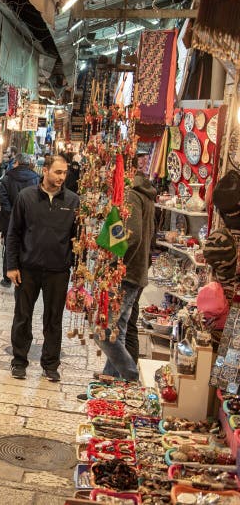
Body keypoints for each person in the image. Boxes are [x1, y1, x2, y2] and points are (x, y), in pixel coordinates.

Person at [6, 154, 79, 382]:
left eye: (64, 173)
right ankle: (19, 361)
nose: (61, 177)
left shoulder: (73, 201)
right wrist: (11, 266)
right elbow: (13, 233)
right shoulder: (26, 197)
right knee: (22, 316)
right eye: (58, 172)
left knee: (54, 319)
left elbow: (77, 238)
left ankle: (50, 364)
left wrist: (78, 268)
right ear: (45, 170)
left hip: (58, 270)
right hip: (28, 268)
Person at [96, 156, 156, 380]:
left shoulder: (131, 194)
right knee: (116, 331)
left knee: (103, 334)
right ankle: (109, 380)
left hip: (126, 272)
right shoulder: (144, 192)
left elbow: (132, 235)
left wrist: (111, 259)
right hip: (136, 270)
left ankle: (131, 377)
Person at [0, 153, 39, 287]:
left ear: (17, 163)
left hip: (10, 219)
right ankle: (25, 275)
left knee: (10, 245)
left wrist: (10, 212)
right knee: (28, 245)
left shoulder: (8, 177)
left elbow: (2, 196)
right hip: (30, 219)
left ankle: (7, 278)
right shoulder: (36, 178)